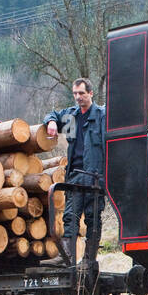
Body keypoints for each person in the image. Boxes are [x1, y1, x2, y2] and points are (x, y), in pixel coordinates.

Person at [43, 78, 105, 265]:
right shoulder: (70, 115)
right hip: (75, 174)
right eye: (75, 94)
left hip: (94, 176)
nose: (78, 97)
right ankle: (67, 258)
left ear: (91, 93)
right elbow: (51, 114)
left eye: (82, 93)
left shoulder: (102, 116)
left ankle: (89, 260)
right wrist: (52, 122)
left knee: (93, 219)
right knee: (70, 217)